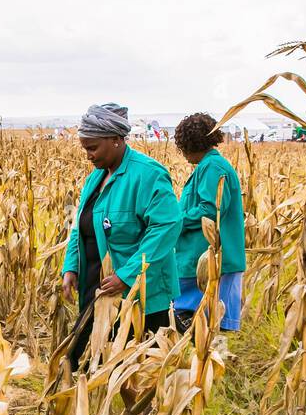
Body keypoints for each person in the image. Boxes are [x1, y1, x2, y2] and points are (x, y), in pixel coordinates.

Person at [60, 103, 180, 371]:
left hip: (139, 293)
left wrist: (127, 275)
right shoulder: (95, 179)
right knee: (84, 358)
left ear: (116, 140)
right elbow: (80, 226)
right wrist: (70, 266)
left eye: (92, 148)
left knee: (140, 368)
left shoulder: (148, 174)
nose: (88, 155)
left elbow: (166, 227)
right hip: (98, 285)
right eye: (85, 148)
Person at [171, 113, 246, 335]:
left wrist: (175, 220)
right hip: (204, 257)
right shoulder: (209, 165)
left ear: (190, 144)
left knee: (201, 323)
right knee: (200, 326)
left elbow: (209, 209)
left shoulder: (213, 167)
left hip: (210, 258)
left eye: (183, 147)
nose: (183, 153)